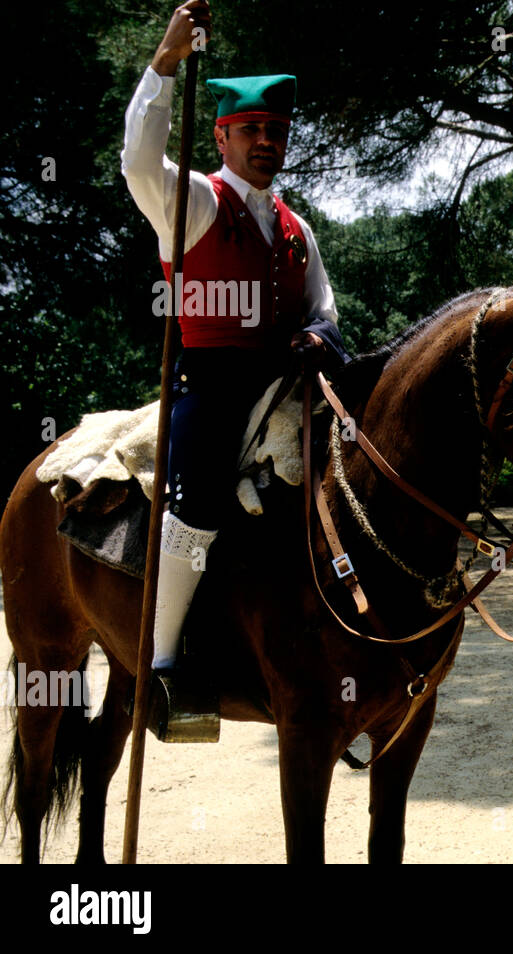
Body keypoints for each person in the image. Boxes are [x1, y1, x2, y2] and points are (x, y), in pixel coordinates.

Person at [122, 0, 348, 675]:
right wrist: (164, 68)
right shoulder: (191, 200)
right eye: (249, 129)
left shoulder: (296, 228)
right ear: (220, 137)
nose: (264, 141)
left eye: (274, 130)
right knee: (196, 503)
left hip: (291, 384)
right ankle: (164, 661)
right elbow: (138, 162)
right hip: (212, 388)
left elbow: (325, 310)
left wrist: (318, 337)